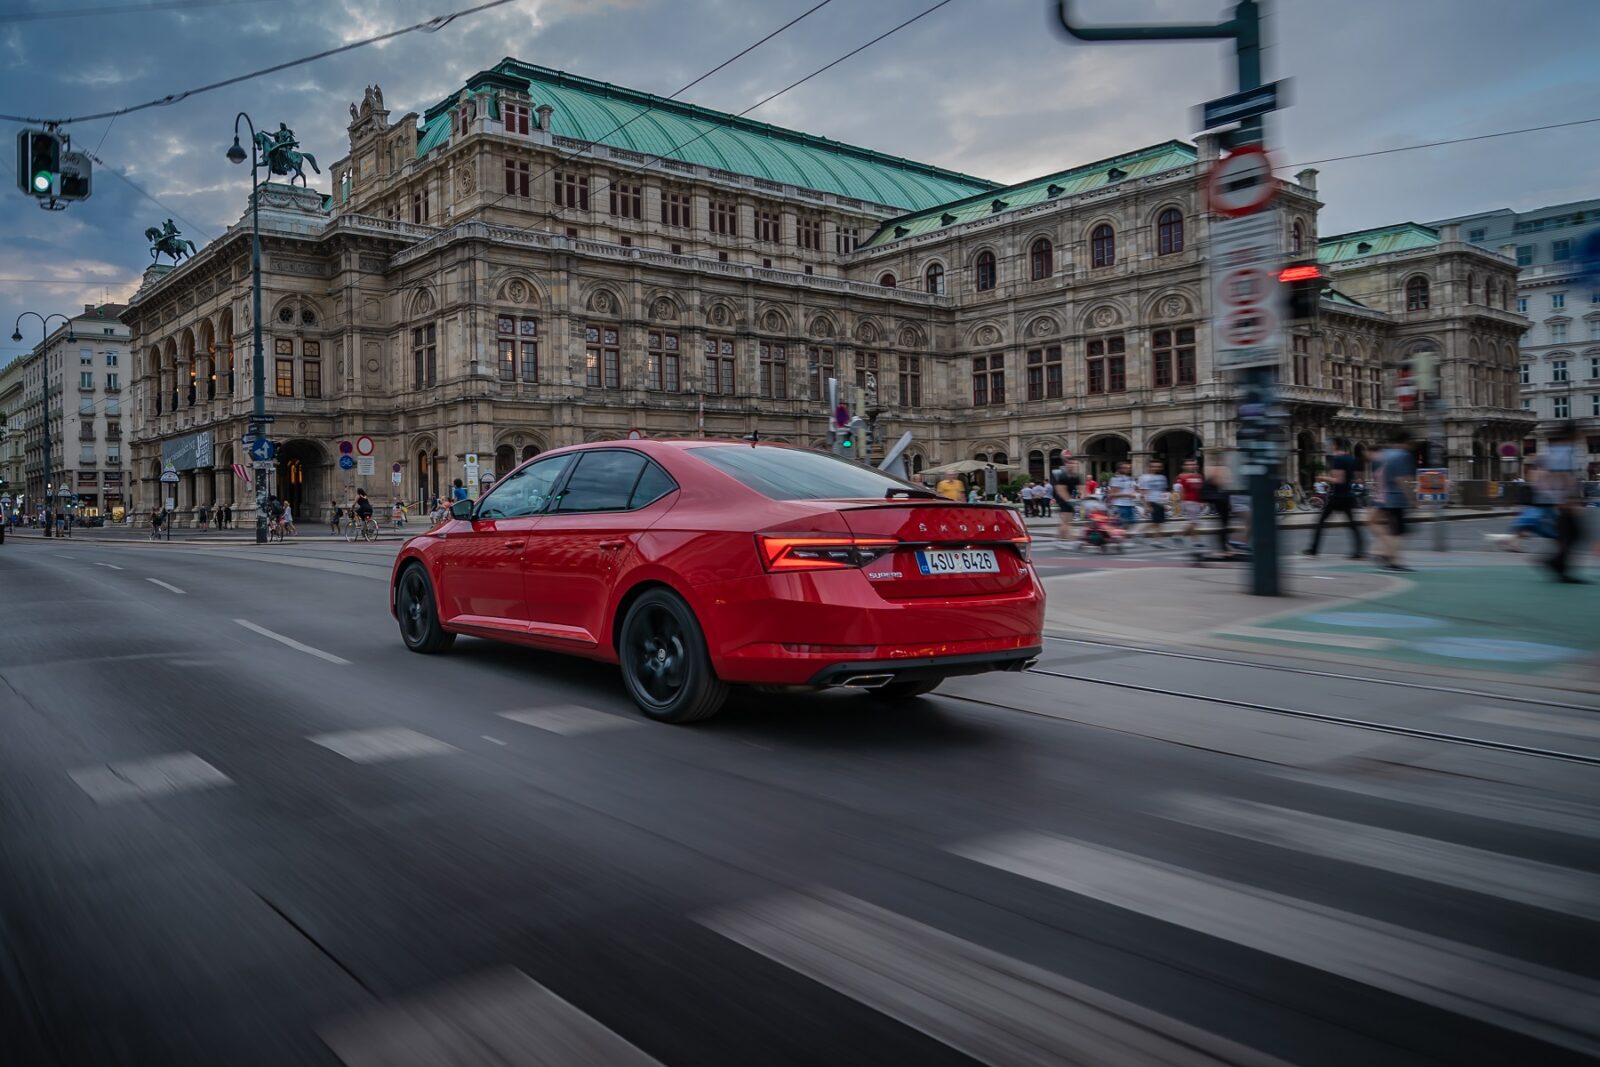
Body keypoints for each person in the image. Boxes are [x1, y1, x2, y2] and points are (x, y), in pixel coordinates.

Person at [1540, 421, 1588, 583]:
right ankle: (1555, 563)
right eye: (1579, 434)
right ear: (1572, 435)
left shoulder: (1556, 450)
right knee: (1575, 534)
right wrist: (1569, 500)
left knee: (1569, 535)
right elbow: (1563, 475)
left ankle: (1556, 564)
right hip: (1565, 500)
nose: (1581, 437)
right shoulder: (1565, 451)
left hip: (1561, 500)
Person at [1303, 438, 1365, 559]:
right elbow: (1357, 478)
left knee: (1320, 523)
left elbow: (1338, 480)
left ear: (1335, 445)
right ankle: (1359, 550)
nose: (1329, 447)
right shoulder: (1350, 458)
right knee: (1353, 525)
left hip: (1338, 497)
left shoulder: (1338, 459)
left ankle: (1313, 549)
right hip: (1348, 495)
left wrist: (1322, 477)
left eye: (1330, 445)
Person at [1370, 427, 1415, 571]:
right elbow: (1402, 479)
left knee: (1375, 522)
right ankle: (1393, 559)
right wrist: (1413, 499)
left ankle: (1381, 551)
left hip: (1383, 496)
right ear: (1406, 441)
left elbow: (1378, 475)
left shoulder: (1384, 454)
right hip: (1397, 497)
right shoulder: (1402, 455)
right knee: (1397, 531)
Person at [1175, 458, 1206, 552]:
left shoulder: (1199, 476)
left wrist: (1202, 501)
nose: (1192, 466)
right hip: (1188, 500)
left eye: (1193, 464)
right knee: (1194, 522)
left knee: (1193, 522)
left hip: (1197, 501)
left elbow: (1201, 490)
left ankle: (1196, 541)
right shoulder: (1181, 477)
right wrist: (1181, 502)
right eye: (1189, 464)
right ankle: (1178, 535)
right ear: (1184, 466)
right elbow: (1180, 490)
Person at [1138, 460, 1170, 546]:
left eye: (1159, 466)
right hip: (1151, 501)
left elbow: (1163, 491)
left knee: (1159, 522)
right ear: (1149, 467)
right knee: (1156, 521)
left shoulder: (1163, 477)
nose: (1157, 468)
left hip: (1160, 502)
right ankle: (1141, 533)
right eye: (1154, 466)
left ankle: (1156, 541)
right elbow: (1143, 492)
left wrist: (1166, 503)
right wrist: (1146, 505)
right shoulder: (1144, 477)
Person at [1052, 461, 1081, 542]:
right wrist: (1069, 500)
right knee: (1066, 520)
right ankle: (1067, 537)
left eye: (1073, 465)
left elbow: (1081, 488)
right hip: (1062, 499)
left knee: (1066, 520)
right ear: (1066, 466)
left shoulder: (1075, 477)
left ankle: (1060, 537)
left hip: (1069, 500)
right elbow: (1060, 490)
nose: (1071, 467)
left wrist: (1086, 497)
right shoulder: (1063, 476)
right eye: (1069, 465)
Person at [1108, 462, 1139, 528]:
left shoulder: (1131, 478)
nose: (1128, 469)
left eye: (1129, 468)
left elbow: (1135, 489)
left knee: (1131, 526)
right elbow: (1112, 494)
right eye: (1125, 468)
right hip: (1120, 506)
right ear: (1119, 469)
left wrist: (1136, 492)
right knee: (1122, 528)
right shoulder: (1116, 479)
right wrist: (1128, 495)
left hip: (1131, 505)